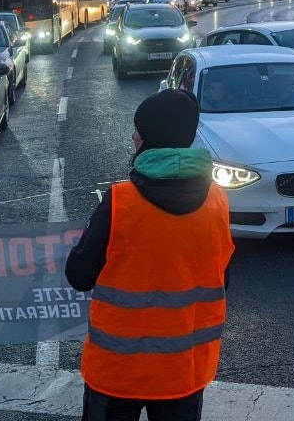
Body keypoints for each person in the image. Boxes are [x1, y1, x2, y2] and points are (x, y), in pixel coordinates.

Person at [65, 89, 235, 421]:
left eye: (138, 130)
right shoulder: (217, 202)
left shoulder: (119, 202)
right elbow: (222, 279)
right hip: (184, 371)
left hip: (117, 373)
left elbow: (79, 276)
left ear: (150, 140)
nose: (133, 136)